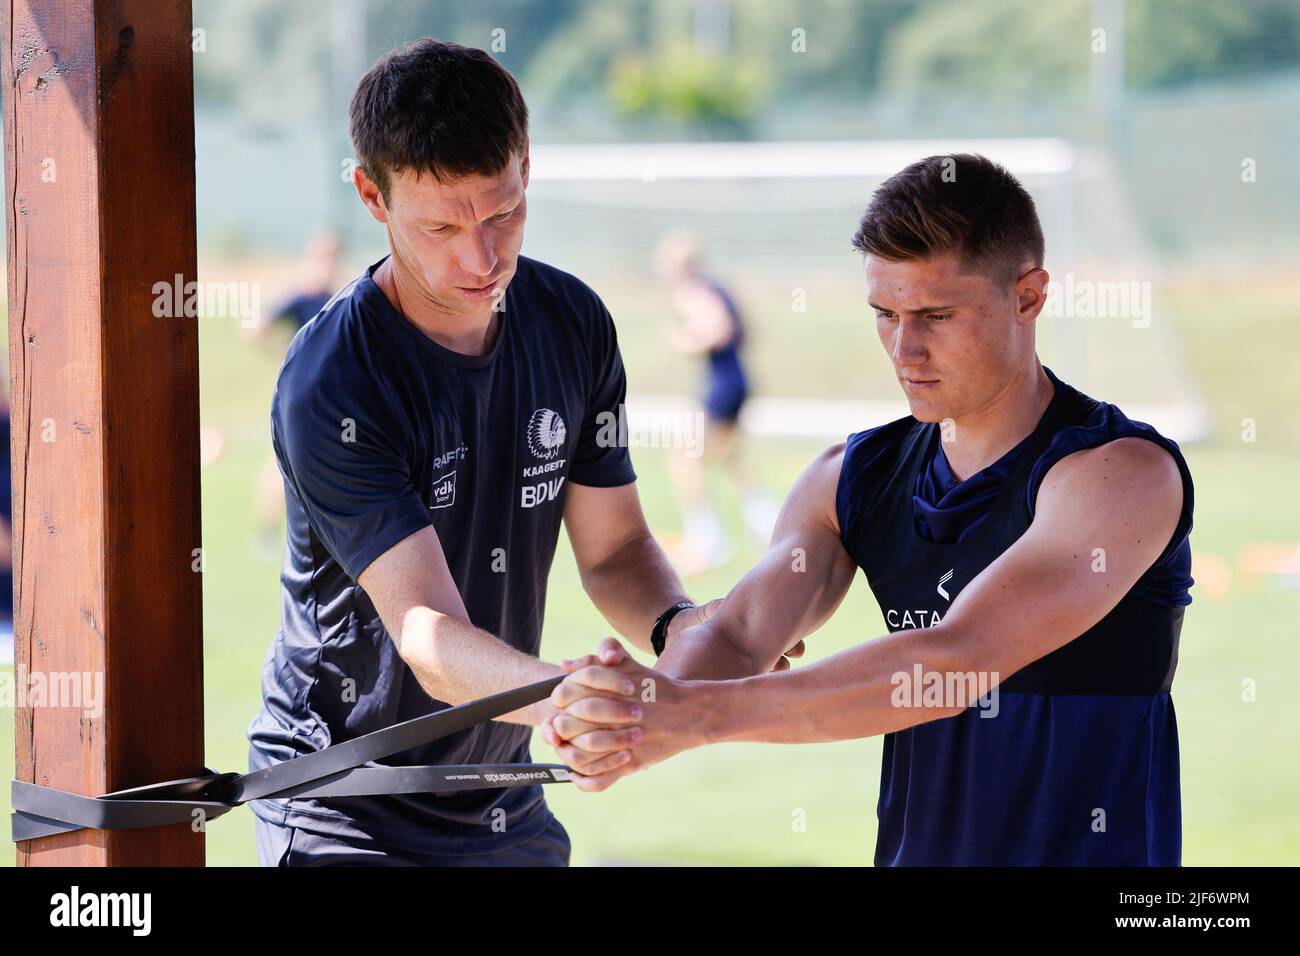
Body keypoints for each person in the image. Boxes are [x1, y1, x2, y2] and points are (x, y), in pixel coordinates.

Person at [544, 153, 1196, 866]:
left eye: (936, 316)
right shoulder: (847, 476)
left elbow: (959, 658)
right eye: (884, 314)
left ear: (1029, 298)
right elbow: (737, 635)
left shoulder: (1121, 474)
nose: (903, 349)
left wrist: (695, 716)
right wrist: (635, 708)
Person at [244, 39, 798, 867]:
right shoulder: (334, 378)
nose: (482, 258)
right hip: (346, 805)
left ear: (527, 165)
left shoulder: (572, 322)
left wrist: (680, 628)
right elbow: (427, 634)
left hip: (503, 796)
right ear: (372, 195)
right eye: (440, 225)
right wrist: (566, 695)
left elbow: (614, 551)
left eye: (501, 212)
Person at [653, 232, 779, 573]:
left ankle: (708, 542)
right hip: (736, 380)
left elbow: (719, 330)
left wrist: (685, 340)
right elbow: (745, 332)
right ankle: (769, 530)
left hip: (723, 387)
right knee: (733, 461)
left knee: (685, 458)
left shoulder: (693, 292)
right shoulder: (719, 287)